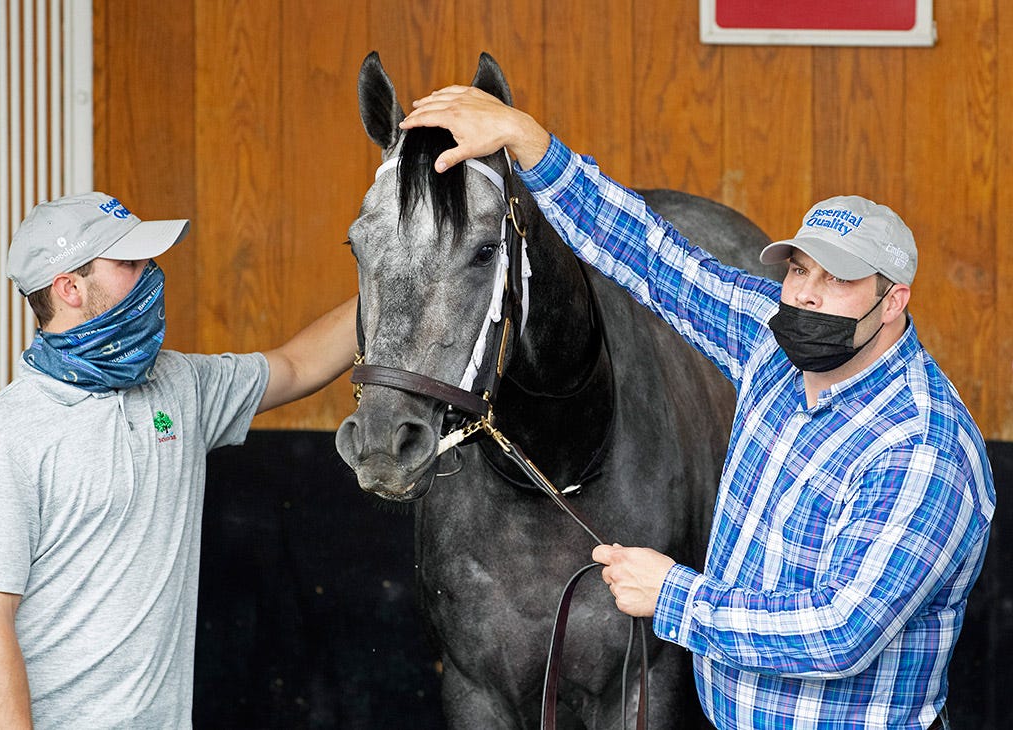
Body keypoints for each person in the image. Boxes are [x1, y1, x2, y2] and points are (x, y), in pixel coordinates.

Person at [399, 87, 994, 730]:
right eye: (800, 272)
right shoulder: (773, 346)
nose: (808, 297)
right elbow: (654, 257)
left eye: (839, 280)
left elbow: (840, 633)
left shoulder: (922, 447)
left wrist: (672, 596)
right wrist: (529, 142)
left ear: (894, 300)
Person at [0, 192, 357, 729]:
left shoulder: (178, 384)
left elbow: (297, 366)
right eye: (130, 264)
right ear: (70, 287)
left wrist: (399, 283)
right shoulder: (1, 439)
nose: (152, 276)